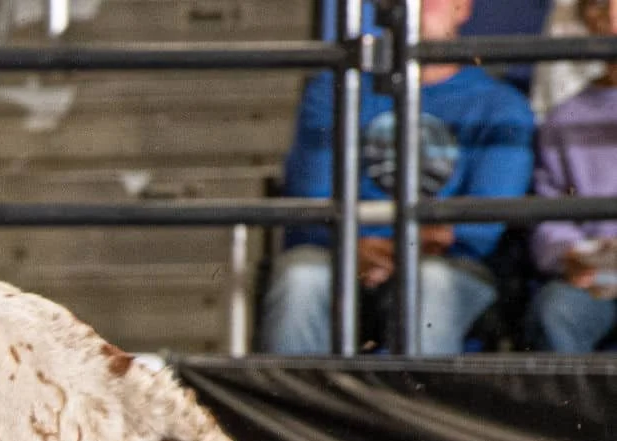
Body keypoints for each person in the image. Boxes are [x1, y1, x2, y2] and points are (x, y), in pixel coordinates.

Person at [259, 0, 534, 355]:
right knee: (300, 280)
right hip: (341, 252)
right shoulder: (336, 88)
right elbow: (313, 196)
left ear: (463, 6)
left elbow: (482, 223)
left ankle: (420, 395)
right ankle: (296, 393)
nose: (418, 4)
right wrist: (358, 248)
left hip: (447, 263)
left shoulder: (501, 104)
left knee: (431, 284)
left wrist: (392, 248)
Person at [528, 0, 617, 351]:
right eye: (604, 12)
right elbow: (549, 212)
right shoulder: (563, 120)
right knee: (557, 310)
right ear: (592, 23)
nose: (613, 24)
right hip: (596, 276)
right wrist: (571, 254)